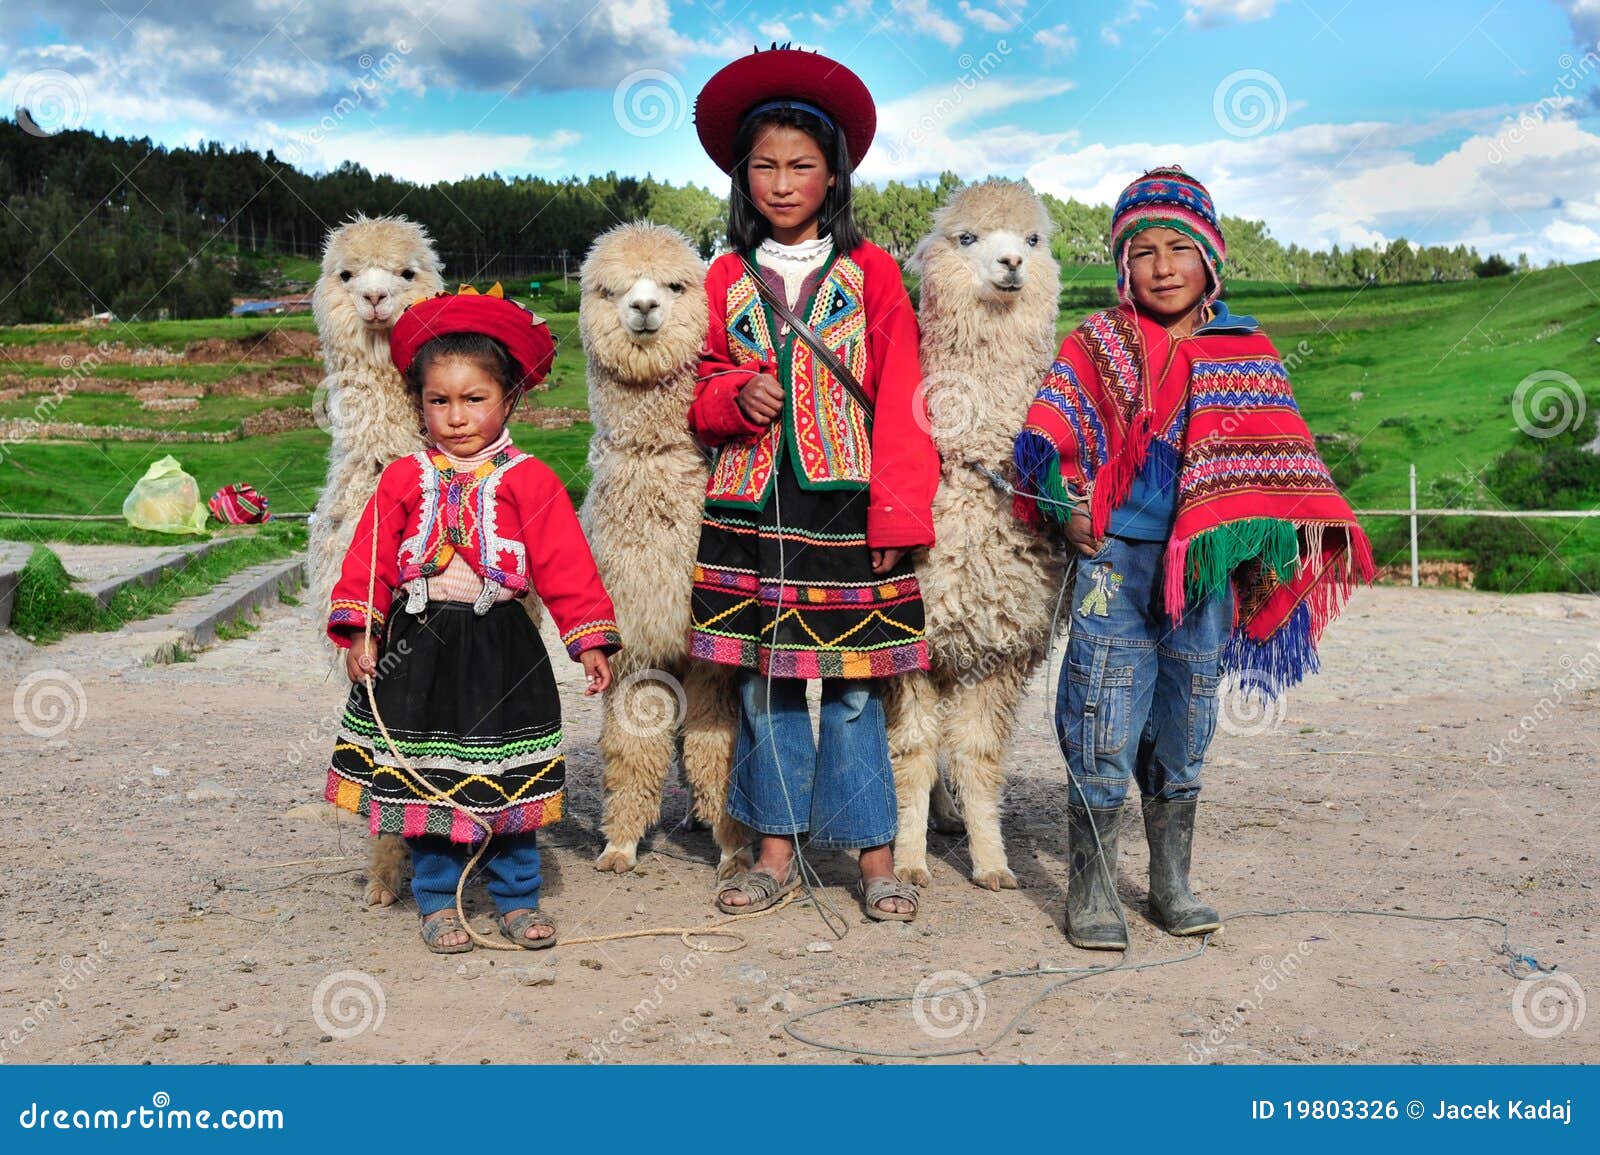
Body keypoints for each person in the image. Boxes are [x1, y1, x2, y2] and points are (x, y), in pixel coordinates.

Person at [1012, 167, 1373, 949]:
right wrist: (1065, 503)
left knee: (1187, 721)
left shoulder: (1246, 352)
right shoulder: (1098, 343)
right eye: (1144, 250)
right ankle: (1096, 886)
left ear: (1212, 258)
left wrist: (1265, 545)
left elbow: (1279, 467)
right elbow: (1050, 439)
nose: (1163, 265)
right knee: (1102, 714)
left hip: (1203, 576)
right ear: (1121, 266)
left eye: (1181, 247)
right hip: (1117, 562)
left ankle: (1171, 880)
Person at [687, 45, 940, 921]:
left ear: (833, 174)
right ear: (741, 175)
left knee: (858, 681)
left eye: (802, 165)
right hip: (754, 506)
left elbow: (906, 395)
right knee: (767, 680)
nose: (783, 182)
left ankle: (874, 858)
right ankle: (773, 851)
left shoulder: (872, 275)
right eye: (765, 166)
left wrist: (900, 508)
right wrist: (731, 395)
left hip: (848, 502)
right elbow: (702, 378)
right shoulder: (722, 278)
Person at [322, 284, 621, 953]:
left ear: (509, 398)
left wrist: (590, 642)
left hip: (500, 648)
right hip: (418, 648)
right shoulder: (403, 478)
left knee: (506, 775)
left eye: (474, 398)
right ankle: (438, 899)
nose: (456, 416)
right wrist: (363, 629)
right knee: (430, 776)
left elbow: (566, 565)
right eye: (439, 400)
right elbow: (369, 559)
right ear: (420, 402)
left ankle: (516, 896)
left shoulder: (531, 479)